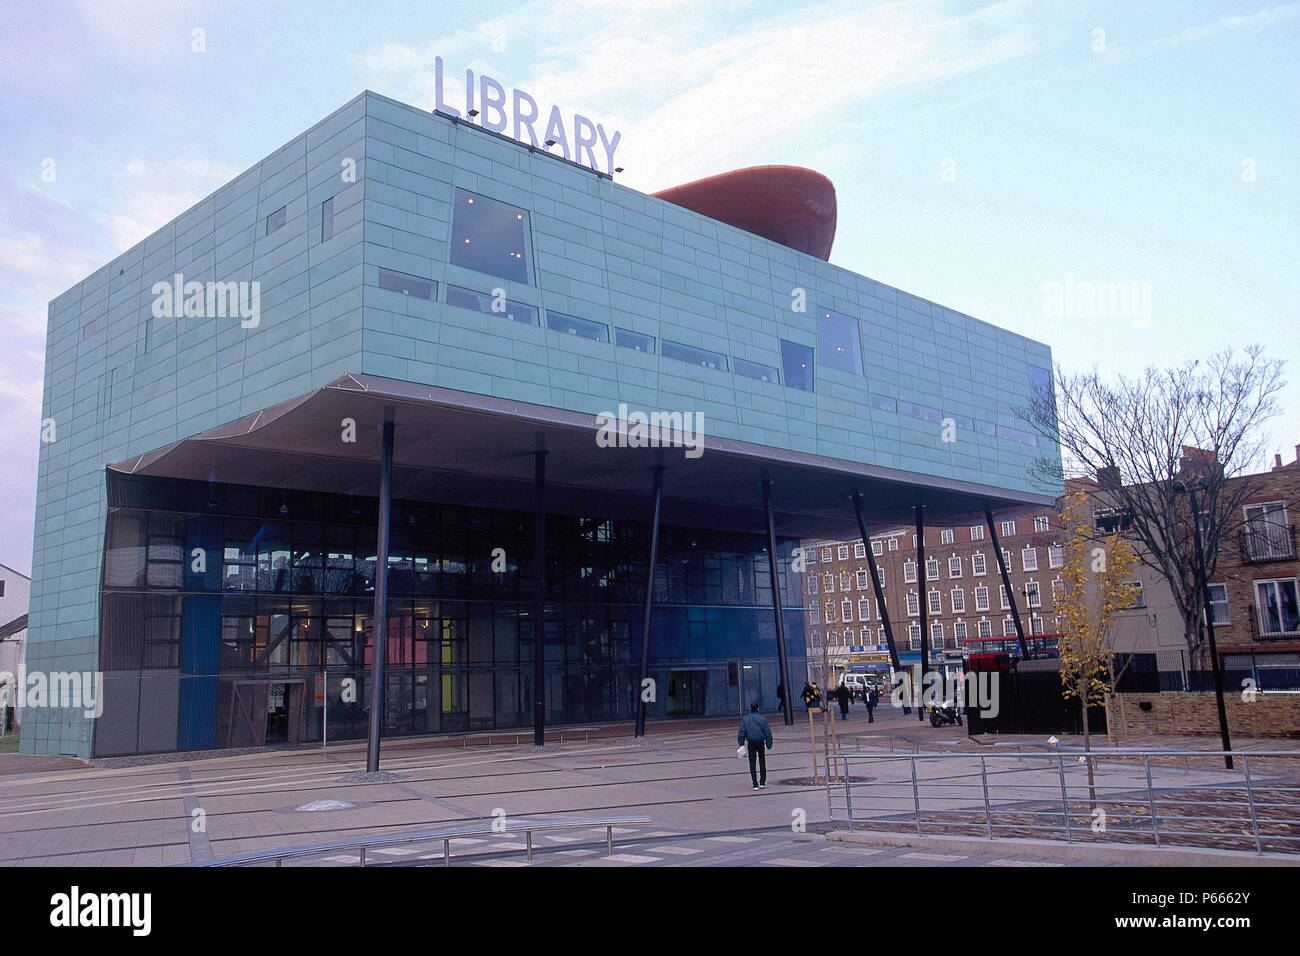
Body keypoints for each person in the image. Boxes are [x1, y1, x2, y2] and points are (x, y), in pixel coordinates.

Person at [737, 701, 773, 790]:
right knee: (762, 761)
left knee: (752, 763)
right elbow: (767, 731)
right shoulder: (762, 719)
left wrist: (741, 743)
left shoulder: (746, 719)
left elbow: (742, 731)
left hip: (751, 742)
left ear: (750, 708)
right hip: (760, 741)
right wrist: (769, 743)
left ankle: (755, 784)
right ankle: (762, 782)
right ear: (758, 708)